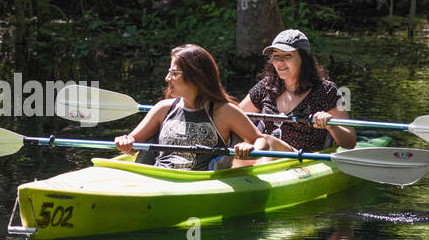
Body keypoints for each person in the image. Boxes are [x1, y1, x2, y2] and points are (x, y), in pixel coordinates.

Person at [115, 44, 263, 171]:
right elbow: (133, 142)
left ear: (195, 76)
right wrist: (125, 142)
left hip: (197, 184)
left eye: (174, 73)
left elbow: (260, 139)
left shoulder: (224, 111)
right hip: (158, 178)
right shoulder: (163, 109)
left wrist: (249, 147)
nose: (167, 78)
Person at [235, 29, 356, 161]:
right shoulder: (264, 87)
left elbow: (350, 142)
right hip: (265, 156)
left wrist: (331, 125)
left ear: (304, 59)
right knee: (251, 148)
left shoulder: (326, 90)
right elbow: (235, 117)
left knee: (267, 141)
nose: (280, 62)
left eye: (287, 56)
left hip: (304, 161)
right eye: (276, 56)